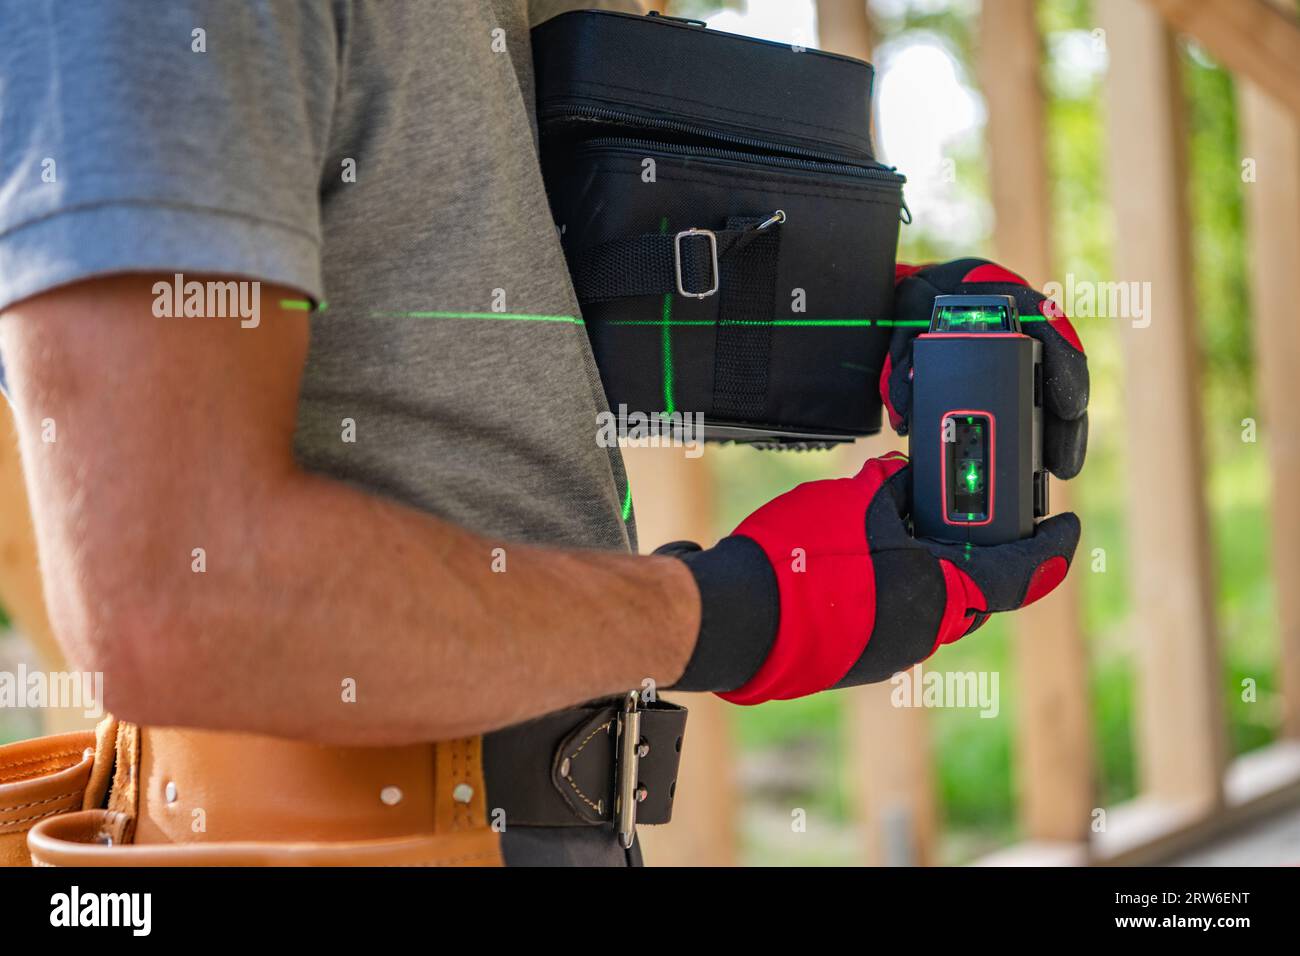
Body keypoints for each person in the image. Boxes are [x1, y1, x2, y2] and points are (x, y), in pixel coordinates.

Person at [0, 0, 1087, 866]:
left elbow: (479, 297)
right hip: (335, 833)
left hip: (533, 822)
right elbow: (175, 594)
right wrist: (725, 614)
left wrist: (849, 319)